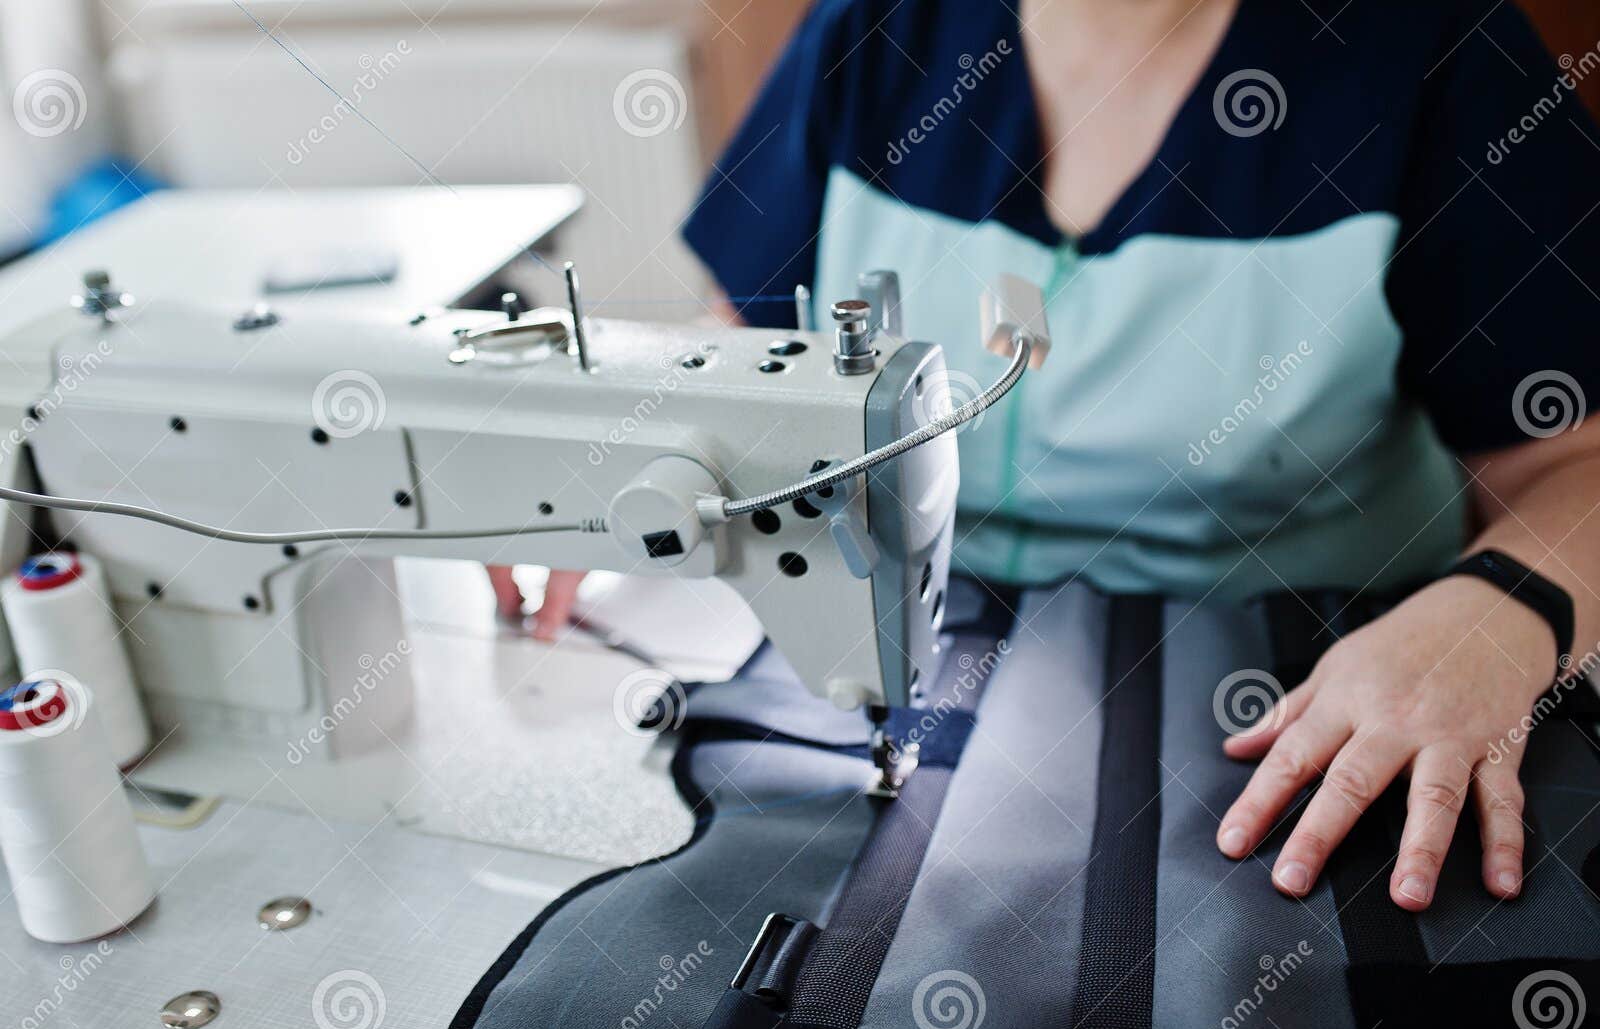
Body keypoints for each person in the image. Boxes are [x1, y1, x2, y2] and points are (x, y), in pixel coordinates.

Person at [607, 0, 1600, 911]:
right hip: (937, 667)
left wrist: (1502, 612)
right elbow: (742, 352)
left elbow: (1576, 463)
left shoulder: (1433, 53)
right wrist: (582, 470)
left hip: (1310, 706)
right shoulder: (871, 34)